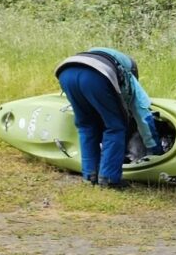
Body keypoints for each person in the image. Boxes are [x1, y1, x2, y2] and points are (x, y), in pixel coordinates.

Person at [55, 47, 165, 188]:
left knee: (86, 125)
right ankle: (109, 179)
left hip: (66, 71)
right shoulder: (128, 75)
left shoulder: (108, 56)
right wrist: (155, 149)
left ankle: (90, 175)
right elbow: (144, 115)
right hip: (95, 74)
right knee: (115, 127)